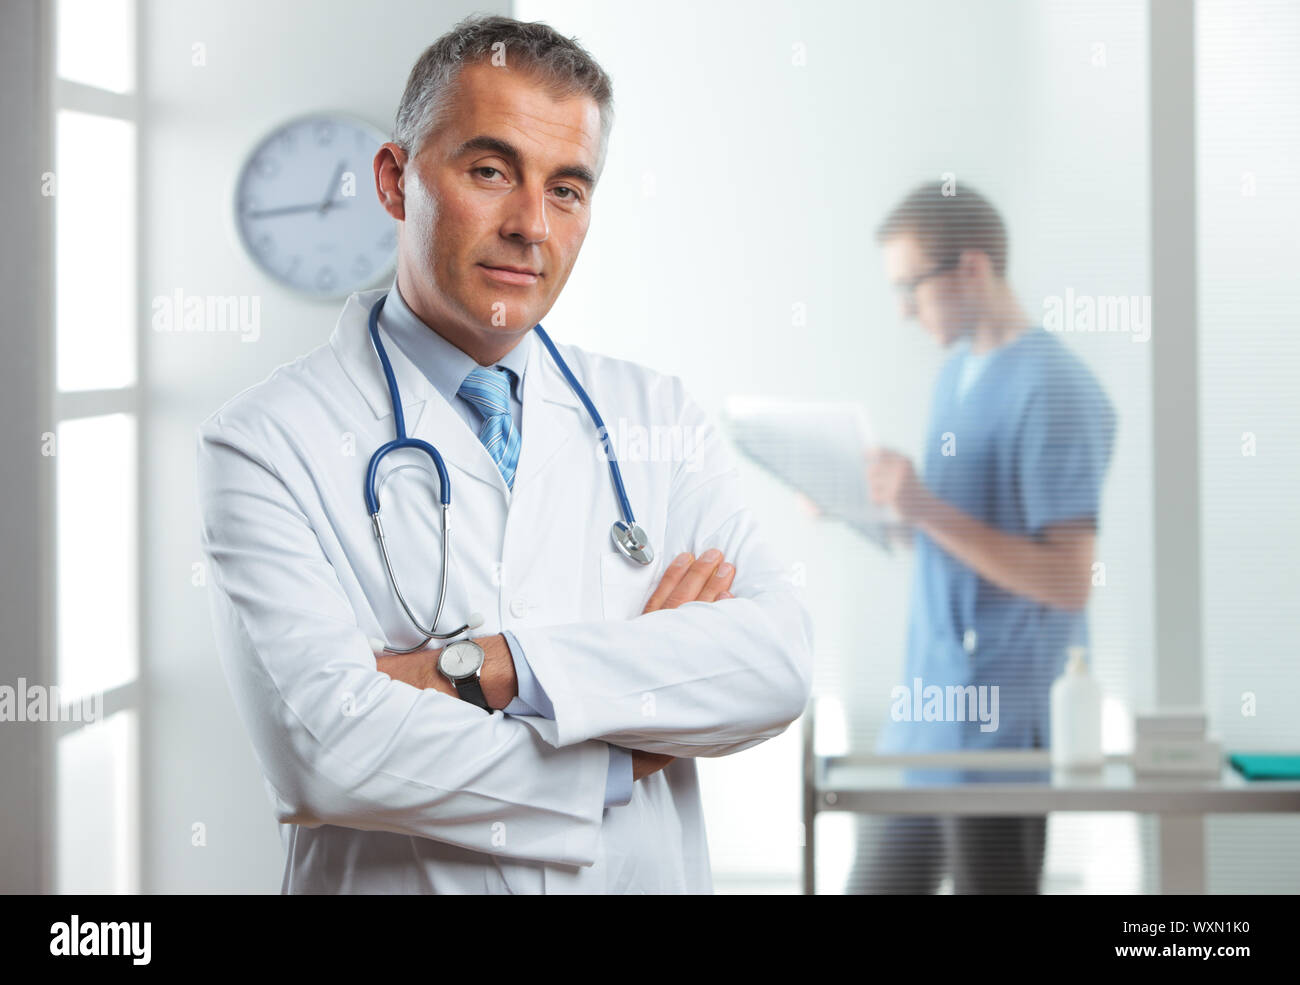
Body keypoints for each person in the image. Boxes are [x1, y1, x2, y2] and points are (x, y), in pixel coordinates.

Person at [196, 14, 813, 894]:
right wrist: (621, 744)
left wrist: (489, 667)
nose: (532, 224)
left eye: (567, 189)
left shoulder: (654, 416)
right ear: (395, 180)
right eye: (490, 171)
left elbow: (775, 662)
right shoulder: (264, 441)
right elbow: (323, 751)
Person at [847, 182, 1116, 894]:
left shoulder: (1055, 387)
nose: (903, 309)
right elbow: (956, 545)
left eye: (911, 286)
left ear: (972, 268)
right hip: (927, 721)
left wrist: (924, 507)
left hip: (999, 728)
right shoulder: (957, 373)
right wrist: (876, 510)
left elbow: (1067, 578)